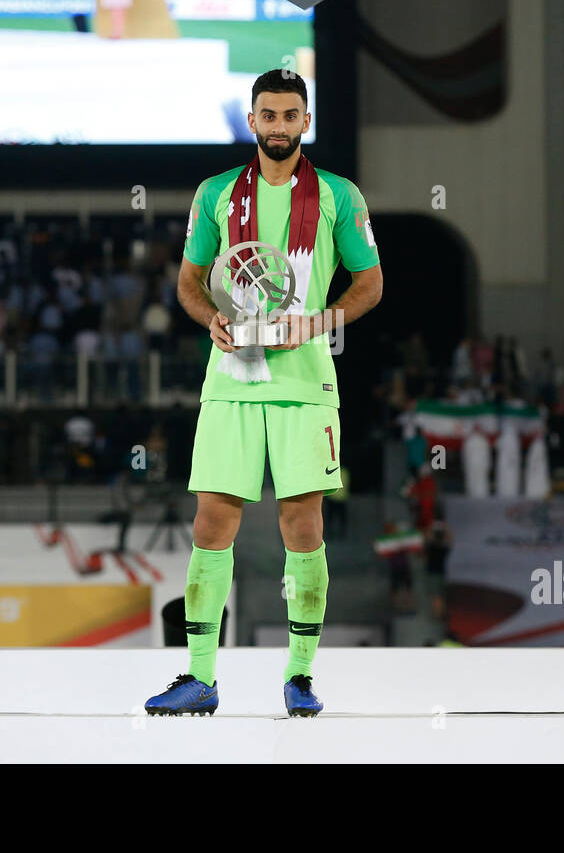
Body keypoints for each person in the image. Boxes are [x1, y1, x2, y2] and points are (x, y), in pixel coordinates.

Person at [144, 70, 382, 717]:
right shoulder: (217, 194)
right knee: (211, 523)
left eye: (290, 115)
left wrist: (318, 320)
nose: (279, 126)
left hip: (305, 381)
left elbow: (369, 284)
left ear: (306, 121)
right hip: (232, 380)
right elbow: (190, 283)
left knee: (302, 525)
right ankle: (199, 678)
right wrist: (208, 319)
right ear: (251, 121)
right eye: (268, 115)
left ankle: (300, 679)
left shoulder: (337, 195)